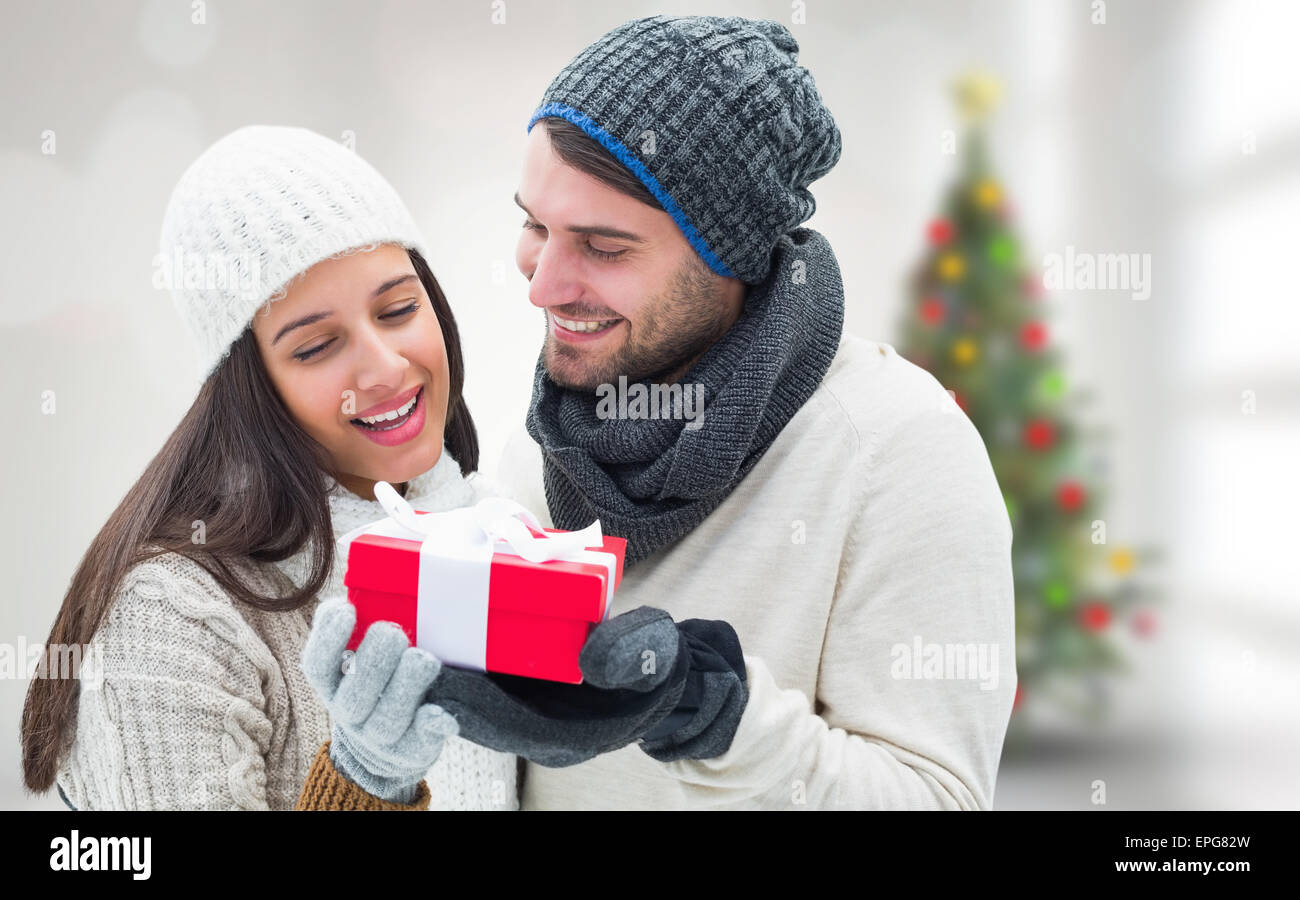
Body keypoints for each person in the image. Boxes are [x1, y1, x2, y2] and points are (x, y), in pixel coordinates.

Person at [483, 15, 1019, 808]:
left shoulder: (900, 453)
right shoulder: (541, 445)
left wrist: (727, 724)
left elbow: (939, 798)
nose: (541, 284)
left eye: (602, 247)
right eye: (535, 225)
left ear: (725, 255)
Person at [19, 125, 518, 810]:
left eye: (399, 308)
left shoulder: (491, 533)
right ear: (251, 387)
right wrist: (362, 785)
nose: (384, 367)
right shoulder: (172, 616)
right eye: (316, 347)